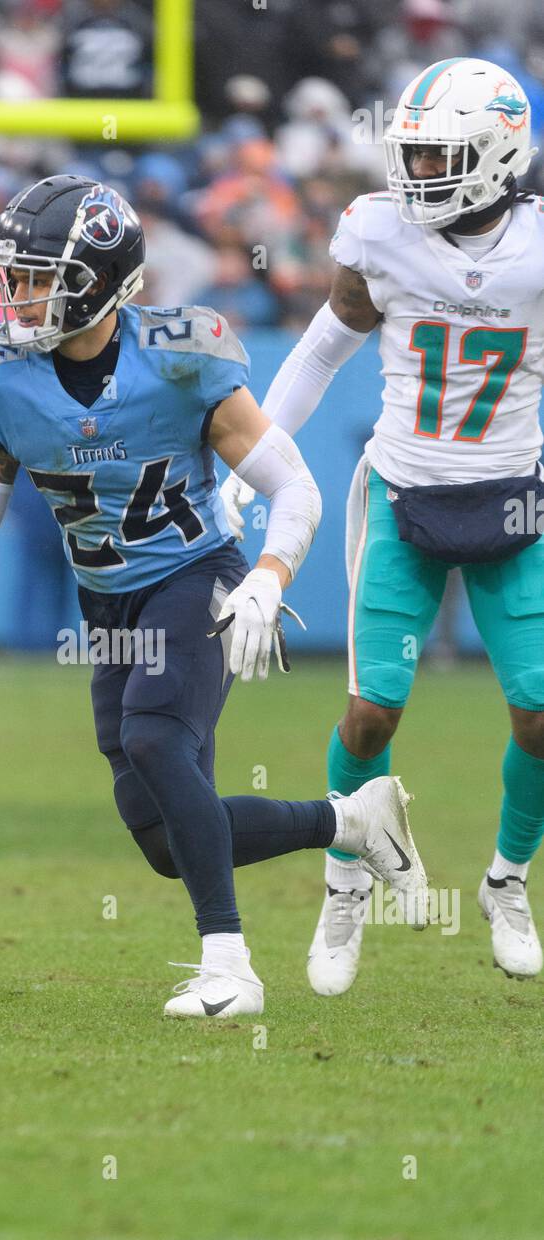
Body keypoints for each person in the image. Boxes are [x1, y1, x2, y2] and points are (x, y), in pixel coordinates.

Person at [0, 175, 428, 1020]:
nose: (13, 295)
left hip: (199, 576)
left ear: (97, 279)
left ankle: (231, 967)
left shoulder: (182, 360)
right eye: (11, 274)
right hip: (109, 604)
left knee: (156, 738)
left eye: (36, 275)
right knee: (163, 837)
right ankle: (351, 821)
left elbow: (296, 489)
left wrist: (269, 578)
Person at [222, 57, 544, 994]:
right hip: (402, 495)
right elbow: (326, 344)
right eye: (413, 153)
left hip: (514, 501)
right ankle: (344, 881)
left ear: (496, 154)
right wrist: (262, 450)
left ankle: (507, 881)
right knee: (371, 714)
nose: (418, 176)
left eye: (441, 155)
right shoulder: (380, 233)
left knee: (539, 713)